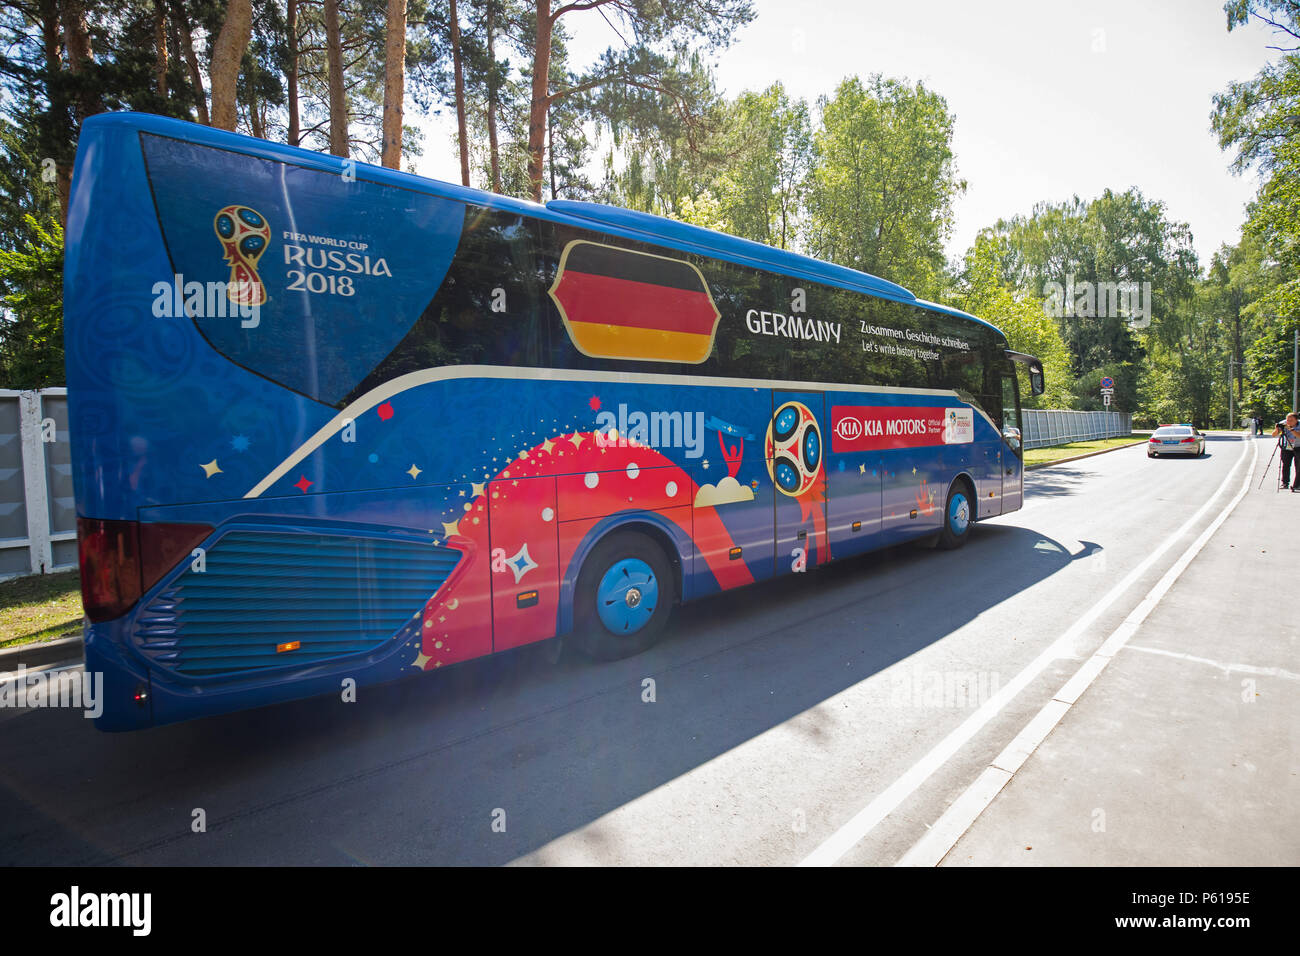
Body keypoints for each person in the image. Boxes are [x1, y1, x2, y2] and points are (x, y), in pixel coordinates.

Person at [1271, 414, 1300, 491]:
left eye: (1291, 420)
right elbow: (1273, 435)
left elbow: (1299, 435)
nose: (1288, 422)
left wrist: (1291, 429)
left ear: (1296, 420)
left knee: (1298, 466)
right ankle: (1285, 483)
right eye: (1287, 420)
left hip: (1298, 447)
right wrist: (1277, 429)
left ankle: (1297, 485)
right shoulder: (1283, 423)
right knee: (1286, 465)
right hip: (1287, 447)